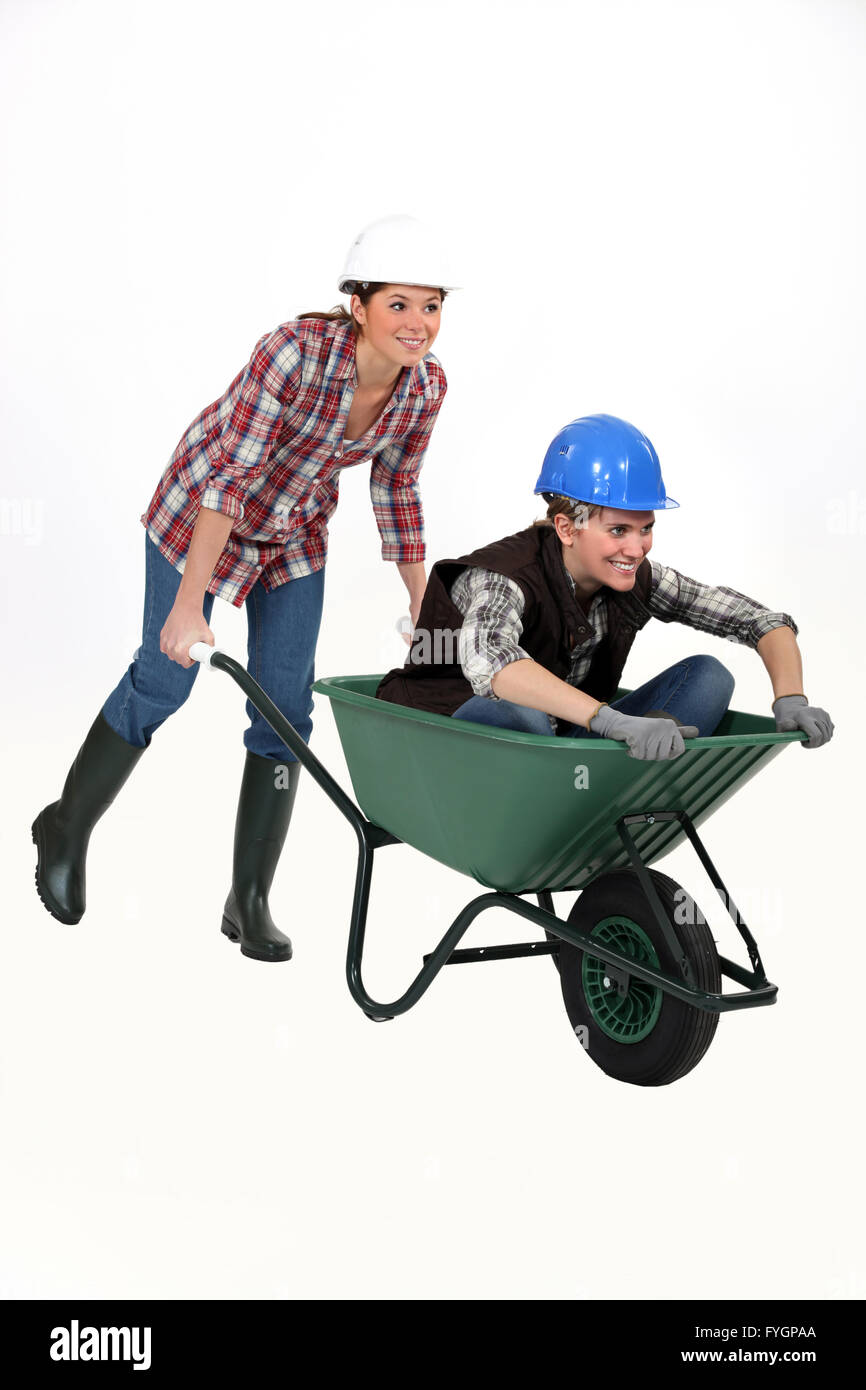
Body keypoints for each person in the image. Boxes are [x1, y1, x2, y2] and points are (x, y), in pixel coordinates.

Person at [33, 214, 457, 962]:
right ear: (358, 305)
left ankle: (249, 898)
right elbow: (229, 479)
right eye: (399, 303)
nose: (417, 324)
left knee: (287, 711)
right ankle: (66, 826)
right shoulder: (292, 354)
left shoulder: (425, 389)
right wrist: (189, 602)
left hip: (294, 532)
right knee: (165, 680)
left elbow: (397, 488)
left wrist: (423, 602)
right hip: (202, 513)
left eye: (431, 305)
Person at [376, 415, 834, 759]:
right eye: (619, 530)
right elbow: (496, 668)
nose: (636, 548)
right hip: (449, 737)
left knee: (710, 675)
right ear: (567, 527)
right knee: (518, 710)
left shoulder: (632, 577)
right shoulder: (503, 578)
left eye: (646, 528)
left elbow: (758, 621)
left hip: (562, 741)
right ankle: (610, 761)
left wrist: (790, 696)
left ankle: (625, 776)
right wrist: (612, 720)